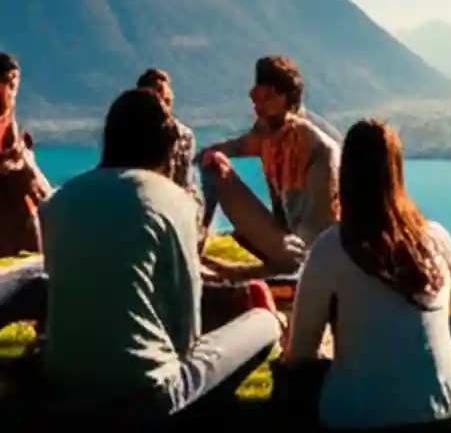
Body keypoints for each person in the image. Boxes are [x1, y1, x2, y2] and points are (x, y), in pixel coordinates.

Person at [36, 88, 283, 427]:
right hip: (146, 395)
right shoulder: (174, 201)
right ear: (165, 149)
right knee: (265, 323)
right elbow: (186, 329)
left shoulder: (58, 203)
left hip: (64, 385)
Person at [275, 119, 451, 431]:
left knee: (295, 379)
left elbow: (302, 354)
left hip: (355, 422)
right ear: (397, 174)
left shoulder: (332, 247)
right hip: (445, 420)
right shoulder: (438, 239)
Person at [198, 55, 341, 280]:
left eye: (268, 98)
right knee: (213, 163)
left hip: (310, 252)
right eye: (256, 98)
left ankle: (265, 273)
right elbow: (229, 148)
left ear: (287, 99)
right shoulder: (267, 136)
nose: (259, 106)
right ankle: (194, 247)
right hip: (284, 242)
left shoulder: (317, 149)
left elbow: (319, 231)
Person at [0, 52, 53, 259]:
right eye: (9, 83)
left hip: (24, 228)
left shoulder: (15, 134)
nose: (13, 93)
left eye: (15, 85)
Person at [136, 68, 199, 206]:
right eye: (157, 101)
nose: (162, 107)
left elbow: (185, 183)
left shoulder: (183, 136)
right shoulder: (128, 133)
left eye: (167, 101)